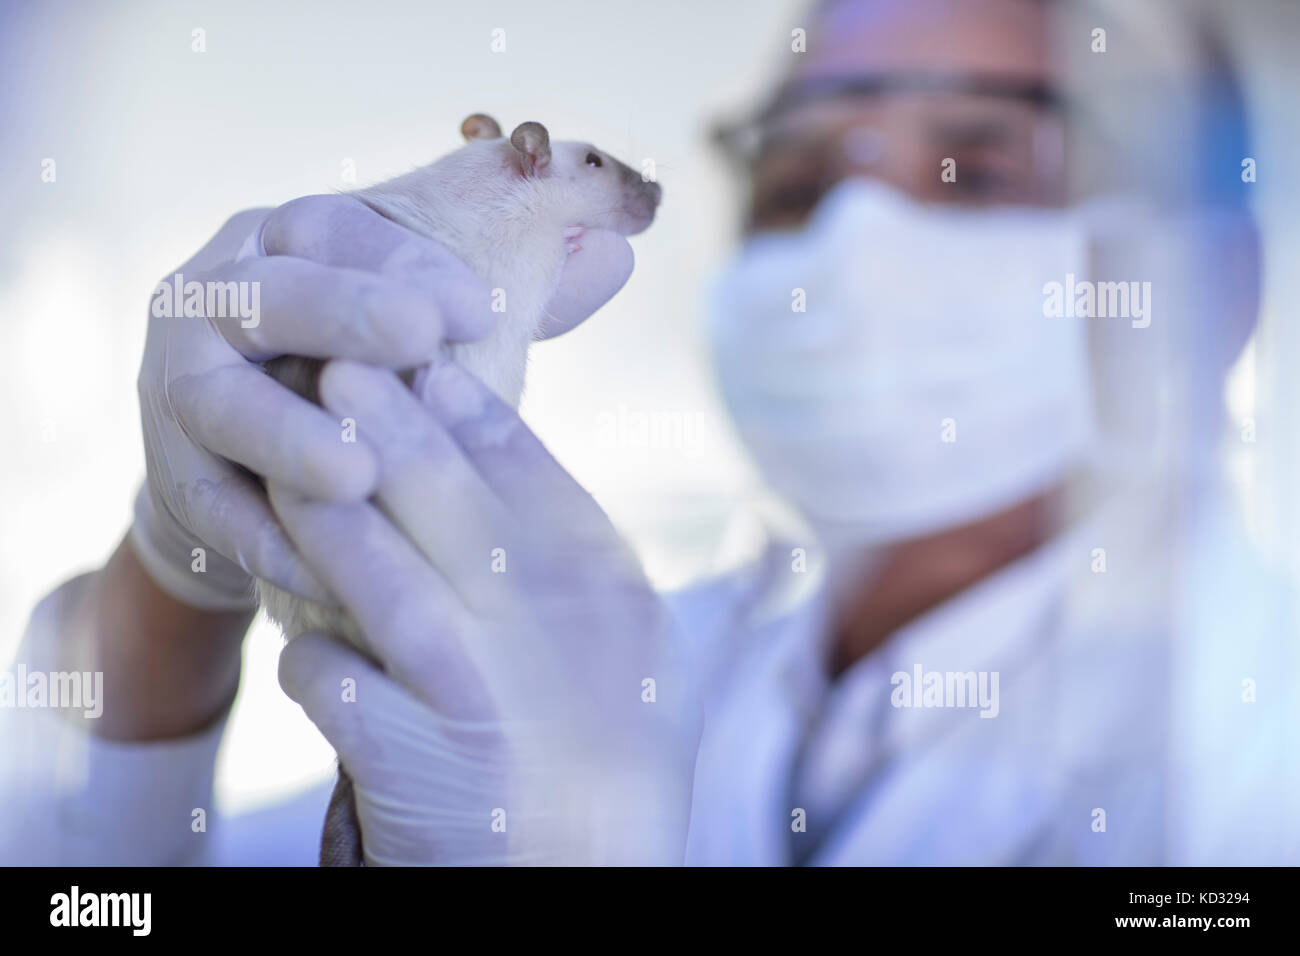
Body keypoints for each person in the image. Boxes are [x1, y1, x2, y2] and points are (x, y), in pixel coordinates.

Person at [0, 0, 1275, 865]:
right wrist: (178, 576)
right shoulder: (651, 659)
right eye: (796, 183)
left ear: (1211, 281)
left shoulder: (1250, 769)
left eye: (976, 169)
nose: (847, 246)